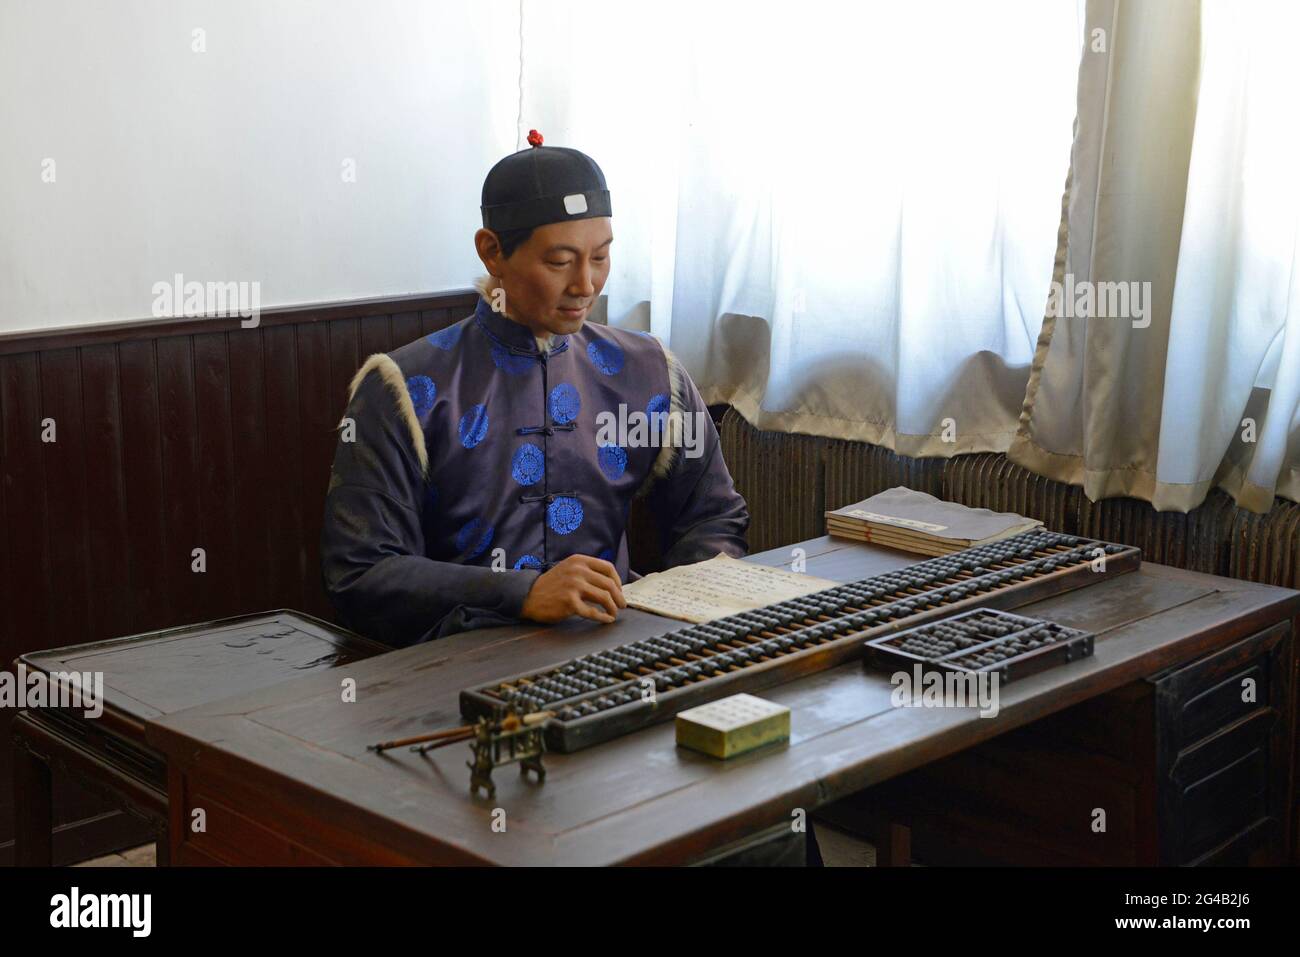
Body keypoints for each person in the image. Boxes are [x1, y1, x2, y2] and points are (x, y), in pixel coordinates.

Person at [320, 131, 749, 646]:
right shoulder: (405, 387)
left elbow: (713, 517)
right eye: (560, 261)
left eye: (601, 257)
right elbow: (361, 573)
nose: (586, 285)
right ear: (492, 251)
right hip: (454, 664)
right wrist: (520, 593)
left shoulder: (648, 370)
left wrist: (678, 623)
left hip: (614, 647)